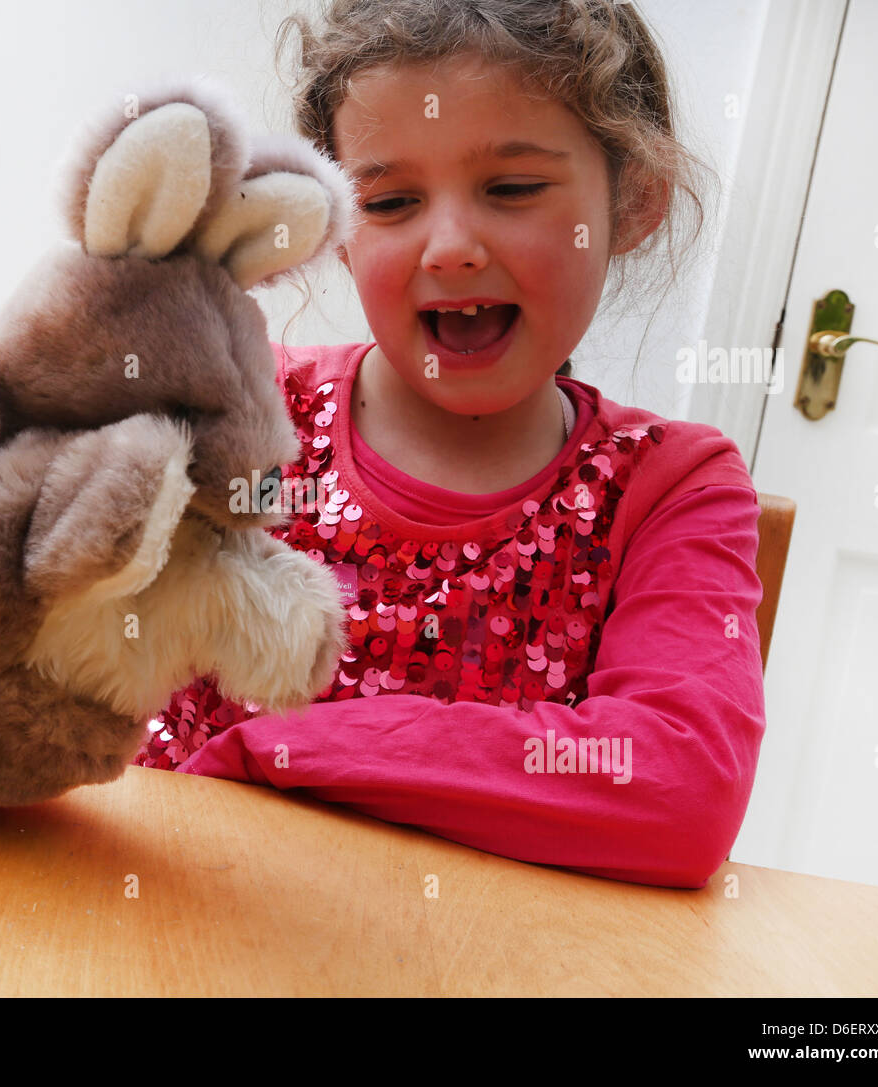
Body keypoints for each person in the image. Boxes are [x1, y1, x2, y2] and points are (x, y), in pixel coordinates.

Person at [131, 0, 766, 890]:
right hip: (171, 922)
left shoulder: (673, 486)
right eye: (389, 201)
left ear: (634, 203)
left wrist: (287, 753)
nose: (453, 246)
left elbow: (678, 784)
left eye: (510, 189)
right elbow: (5, 584)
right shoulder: (238, 404)